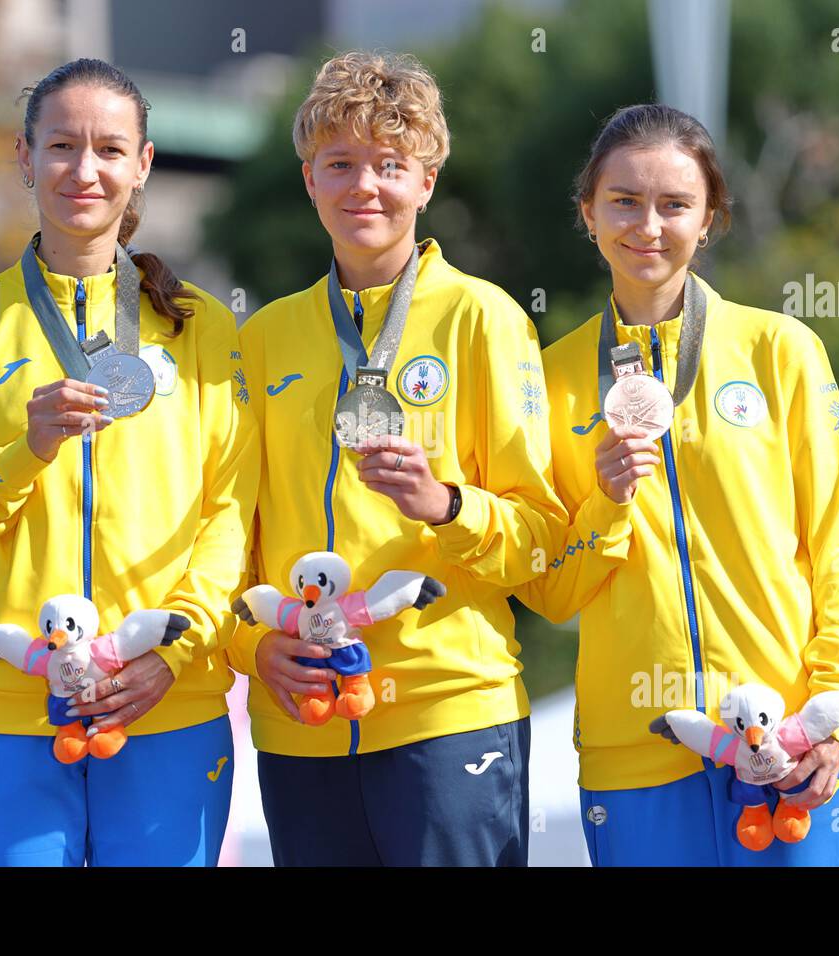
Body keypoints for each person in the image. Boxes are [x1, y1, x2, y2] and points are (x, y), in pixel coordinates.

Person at [0, 58, 259, 866]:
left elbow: (230, 515)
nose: (84, 170)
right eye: (60, 146)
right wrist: (26, 452)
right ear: (25, 159)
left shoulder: (204, 331)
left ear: (144, 164)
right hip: (2, 707)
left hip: (166, 701)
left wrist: (174, 653)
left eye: (109, 149)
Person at [517, 103, 839, 866]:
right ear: (588, 212)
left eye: (674, 204)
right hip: (636, 755)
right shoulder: (547, 380)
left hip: (785, 741)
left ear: (710, 217)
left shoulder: (780, 349)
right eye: (623, 201)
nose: (647, 225)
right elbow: (549, 589)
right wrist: (606, 502)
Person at [225, 50, 565, 866]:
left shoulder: (484, 318)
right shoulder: (264, 337)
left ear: (428, 180)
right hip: (302, 721)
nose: (363, 187)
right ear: (309, 180)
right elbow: (228, 532)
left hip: (447, 712)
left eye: (389, 164)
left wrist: (448, 505)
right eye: (338, 163)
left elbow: (545, 538)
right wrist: (252, 649)